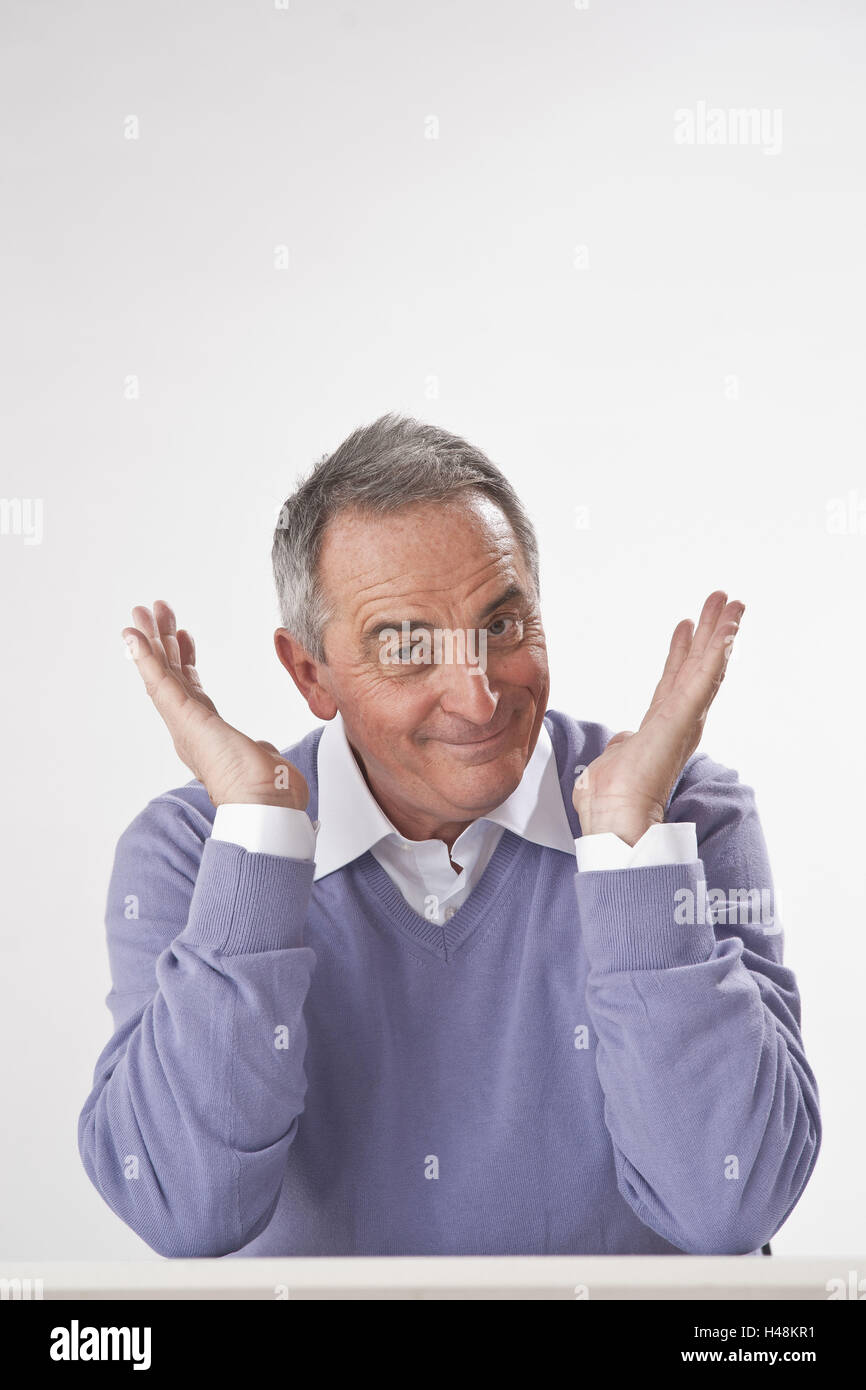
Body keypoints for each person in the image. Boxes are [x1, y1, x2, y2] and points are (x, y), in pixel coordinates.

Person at [78, 413, 821, 1258]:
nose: (477, 697)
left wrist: (629, 848)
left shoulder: (682, 813)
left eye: (502, 627)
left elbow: (731, 1206)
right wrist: (257, 842)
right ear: (309, 673)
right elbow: (185, 1210)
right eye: (407, 645)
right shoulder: (191, 849)